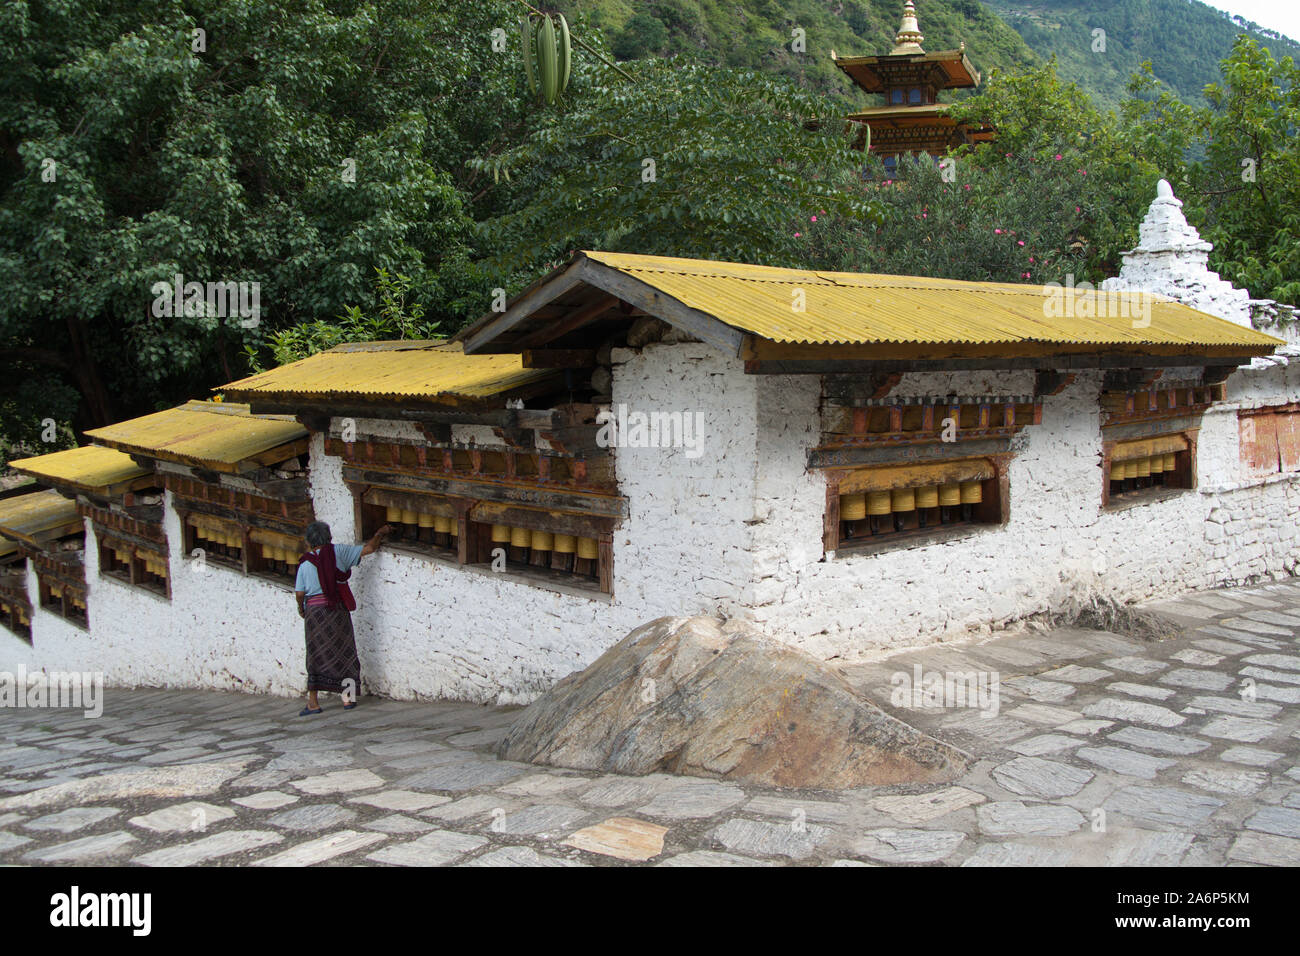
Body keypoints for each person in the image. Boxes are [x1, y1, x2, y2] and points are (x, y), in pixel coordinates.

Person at [294, 520, 390, 716]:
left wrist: (300, 608)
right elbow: (370, 548)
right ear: (328, 537)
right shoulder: (339, 552)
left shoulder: (305, 563)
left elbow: (300, 593)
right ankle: (347, 698)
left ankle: (313, 702)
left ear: (309, 541)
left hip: (314, 613)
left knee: (315, 654)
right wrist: (380, 532)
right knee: (344, 649)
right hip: (336, 609)